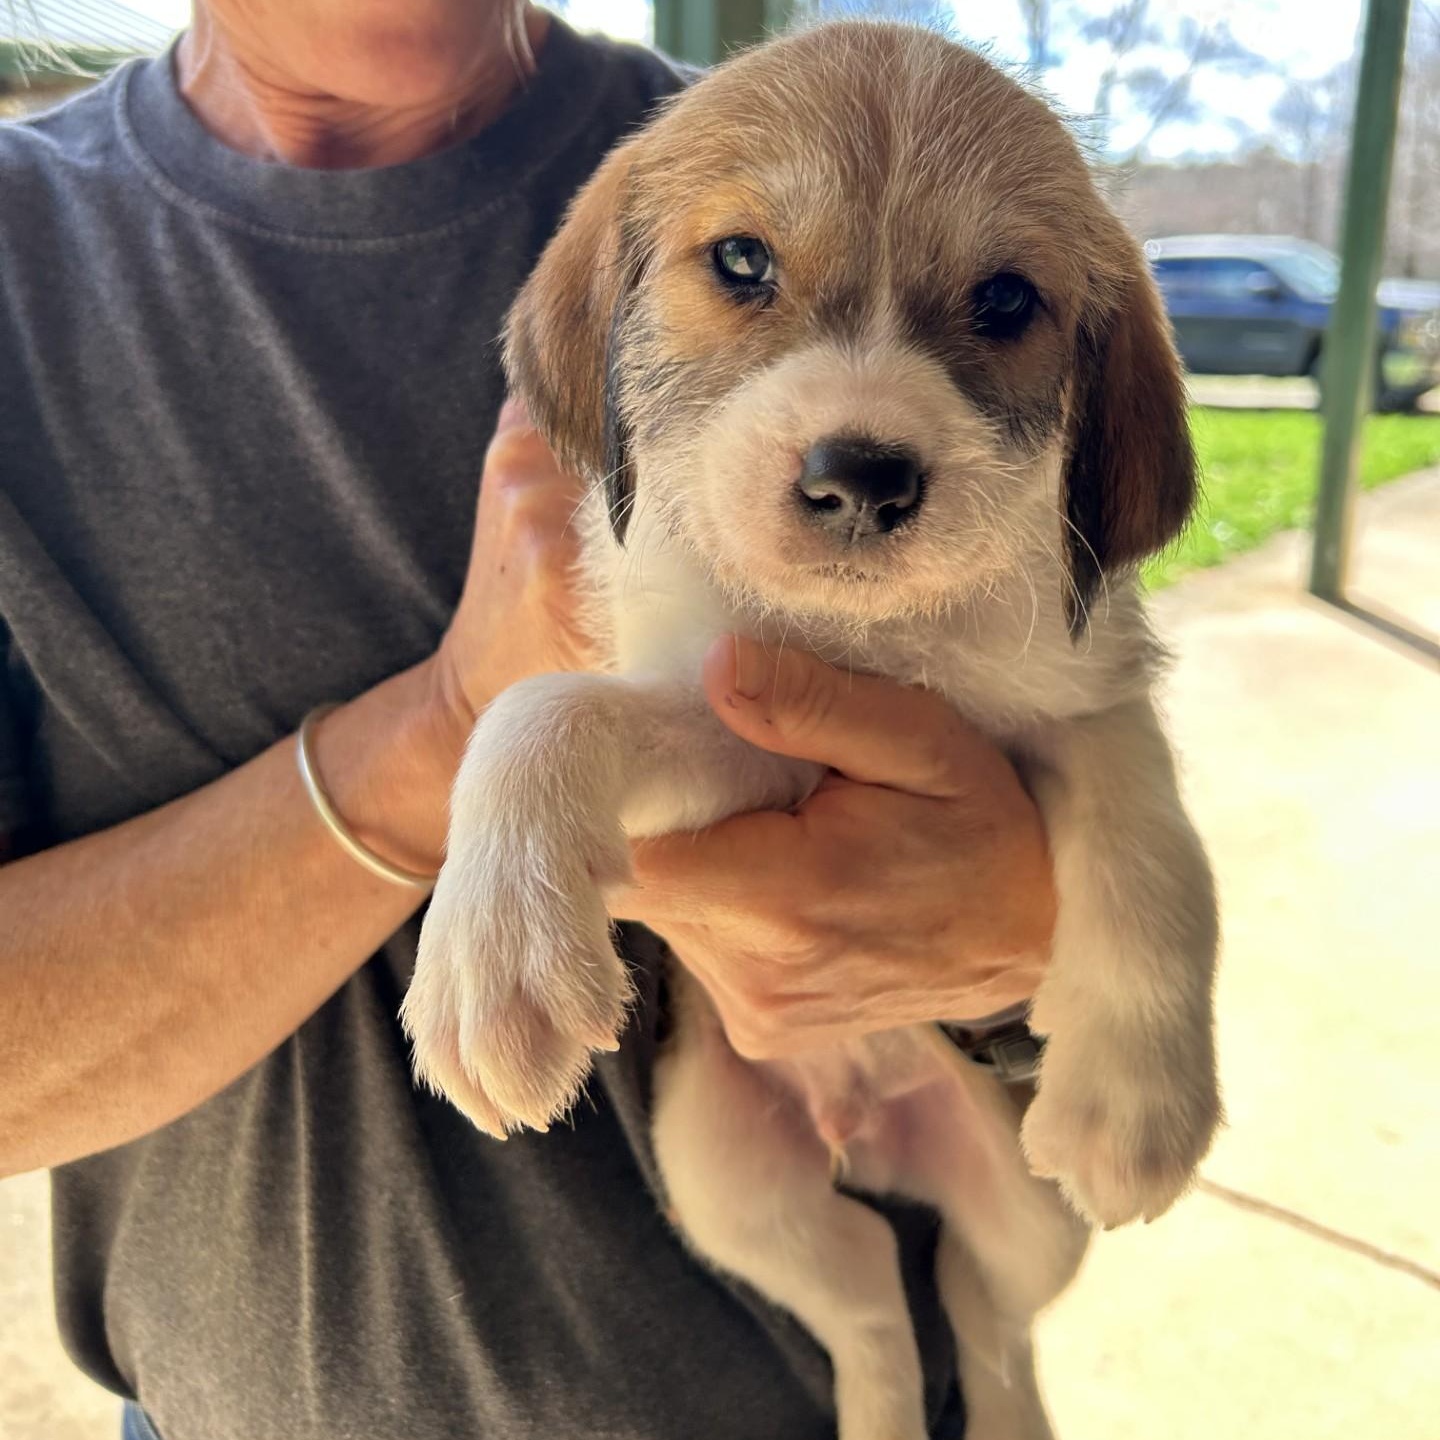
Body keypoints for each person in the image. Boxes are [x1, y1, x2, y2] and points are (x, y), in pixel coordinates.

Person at [0, 4, 1057, 1437]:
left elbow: (1075, 744)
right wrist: (445, 727)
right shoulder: (27, 258)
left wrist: (1022, 962)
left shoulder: (829, 161)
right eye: (741, 277)